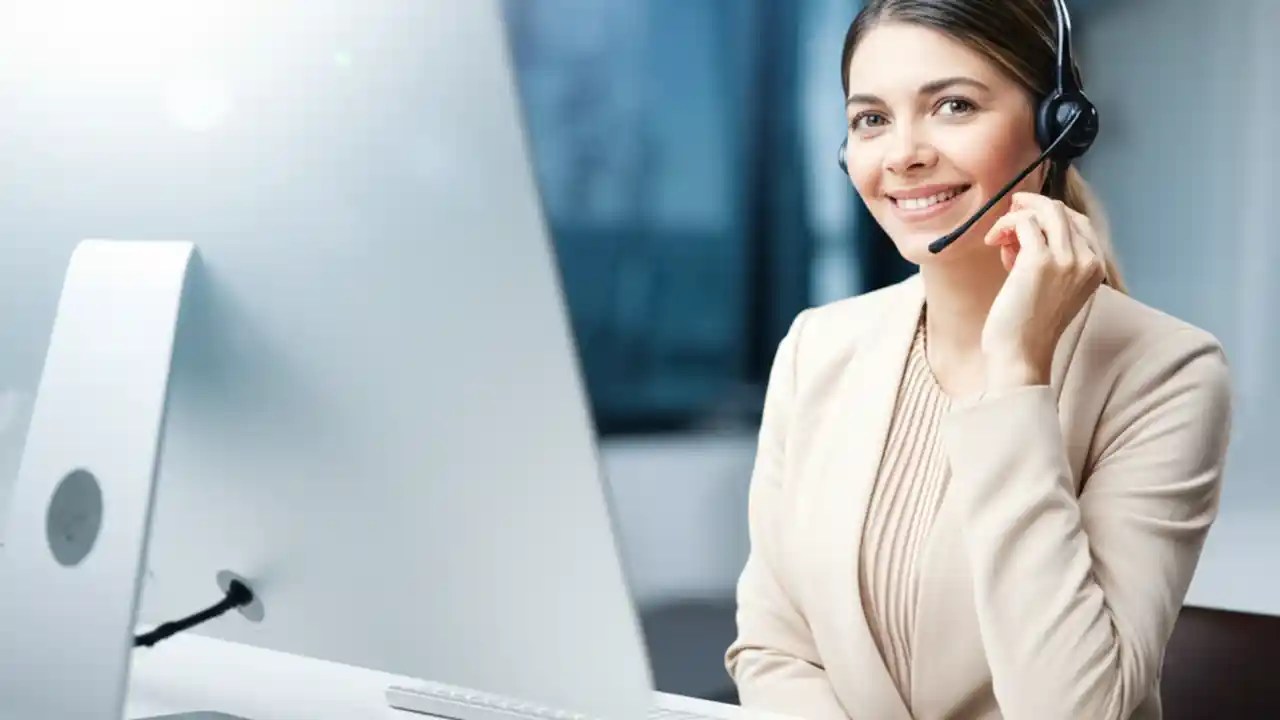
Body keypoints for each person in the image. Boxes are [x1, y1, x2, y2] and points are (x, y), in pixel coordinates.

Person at [723, 1, 1234, 718]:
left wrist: (1017, 374)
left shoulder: (1167, 373)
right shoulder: (818, 347)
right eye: (871, 119)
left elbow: (1075, 709)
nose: (903, 153)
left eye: (953, 105)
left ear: (1057, 126)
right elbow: (774, 649)